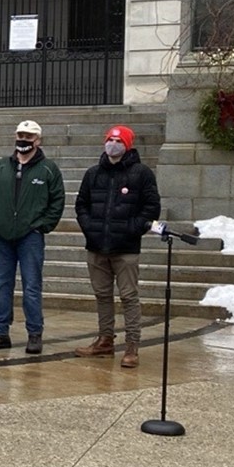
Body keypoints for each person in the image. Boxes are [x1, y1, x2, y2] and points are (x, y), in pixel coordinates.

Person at [73, 125, 160, 369]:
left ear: (127, 145)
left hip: (126, 248)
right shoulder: (93, 173)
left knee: (129, 296)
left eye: (118, 140)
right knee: (102, 295)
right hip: (97, 245)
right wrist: (89, 227)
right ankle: (105, 340)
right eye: (110, 140)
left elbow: (151, 208)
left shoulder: (141, 173)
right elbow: (81, 204)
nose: (113, 144)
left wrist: (132, 228)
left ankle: (132, 346)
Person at [0, 120, 65, 354]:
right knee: (2, 285)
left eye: (29, 136)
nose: (23, 140)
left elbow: (57, 201)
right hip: (2, 235)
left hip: (30, 237)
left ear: (38, 140)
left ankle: (34, 333)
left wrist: (43, 226)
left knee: (32, 287)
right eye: (20, 135)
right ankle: (0, 332)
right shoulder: (0, 167)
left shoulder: (48, 169)